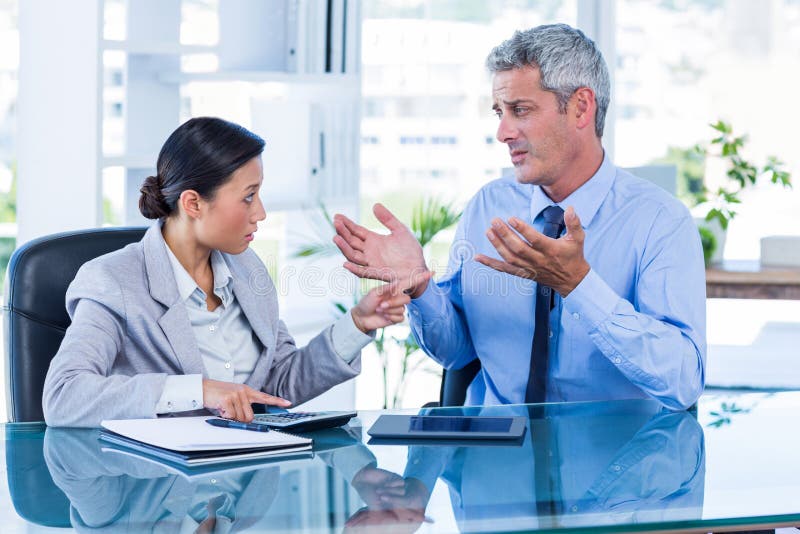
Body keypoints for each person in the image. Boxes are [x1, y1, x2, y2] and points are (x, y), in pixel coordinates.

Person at [332, 24, 706, 410]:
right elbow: (457, 353)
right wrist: (420, 287)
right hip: (494, 456)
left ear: (580, 107)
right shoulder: (488, 208)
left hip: (614, 460)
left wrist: (578, 286)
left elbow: (682, 381)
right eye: (499, 112)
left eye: (520, 111)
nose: (503, 132)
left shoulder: (659, 222)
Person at [43, 117, 417, 428]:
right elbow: (65, 396)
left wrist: (358, 324)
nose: (261, 213)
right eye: (248, 196)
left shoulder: (247, 270)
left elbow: (280, 383)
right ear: (193, 203)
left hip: (241, 496)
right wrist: (200, 389)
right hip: (156, 499)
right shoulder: (113, 281)